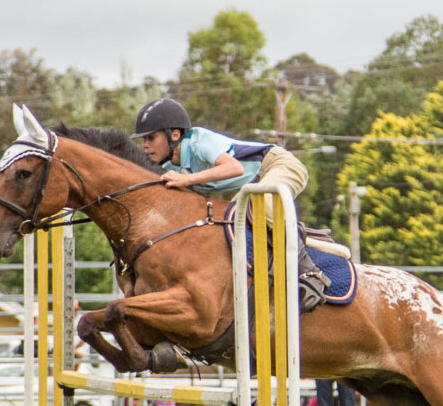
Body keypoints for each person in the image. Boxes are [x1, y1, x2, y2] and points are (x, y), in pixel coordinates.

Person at [134, 97, 333, 310]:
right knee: (230, 223)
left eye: (151, 138)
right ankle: (311, 243)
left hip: (279, 164)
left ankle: (310, 274)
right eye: (143, 140)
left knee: (261, 205)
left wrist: (186, 180)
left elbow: (234, 168)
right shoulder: (170, 165)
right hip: (252, 185)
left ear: (174, 135)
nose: (145, 145)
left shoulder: (198, 140)